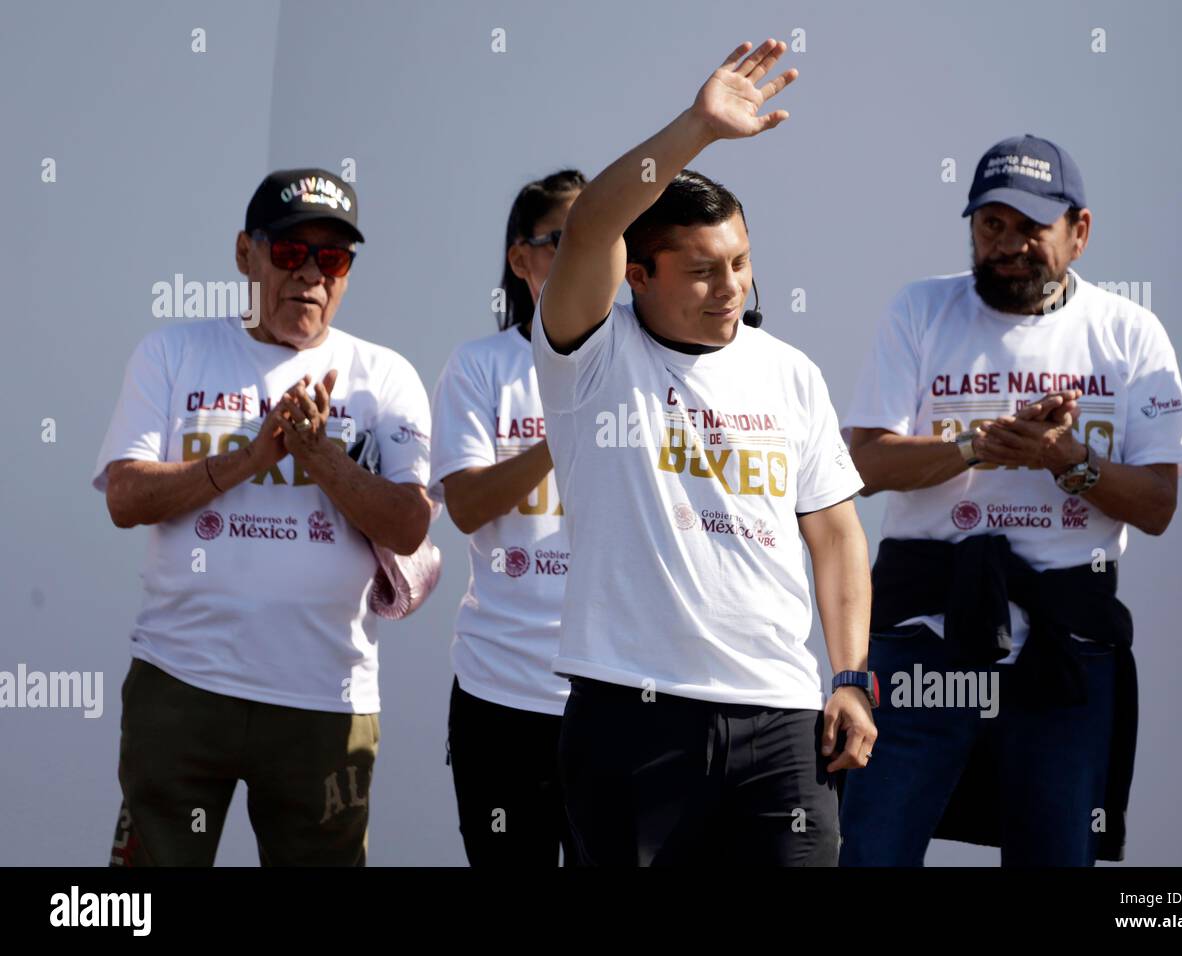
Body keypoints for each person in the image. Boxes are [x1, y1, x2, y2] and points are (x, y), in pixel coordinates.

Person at [534, 40, 875, 866]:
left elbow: (834, 536)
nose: (730, 288)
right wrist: (696, 127)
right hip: (633, 721)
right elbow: (590, 225)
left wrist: (851, 678)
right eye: (701, 271)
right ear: (637, 277)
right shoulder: (591, 354)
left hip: (783, 725)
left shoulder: (791, 372)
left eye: (741, 263)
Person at [838, 134, 1182, 866]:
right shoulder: (920, 310)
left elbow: (1158, 505)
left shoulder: (1129, 333)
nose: (1008, 245)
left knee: (1055, 856)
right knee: (871, 851)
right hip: (925, 639)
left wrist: (1069, 461)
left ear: (1080, 231)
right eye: (990, 225)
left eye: (1030, 227)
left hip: (1064, 646)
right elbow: (865, 464)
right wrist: (979, 447)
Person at [94, 168, 435, 866]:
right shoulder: (173, 352)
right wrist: (252, 458)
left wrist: (320, 457)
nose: (309, 274)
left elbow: (409, 525)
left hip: (326, 696)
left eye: (331, 259)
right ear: (245, 254)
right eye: (289, 253)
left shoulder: (385, 375)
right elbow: (125, 497)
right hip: (182, 684)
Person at [430, 169, 587, 866]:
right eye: (564, 240)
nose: (586, 255)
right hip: (500, 696)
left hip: (615, 697)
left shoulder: (647, 363)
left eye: (600, 236)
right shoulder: (479, 366)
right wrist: (561, 437)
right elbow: (464, 505)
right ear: (521, 259)